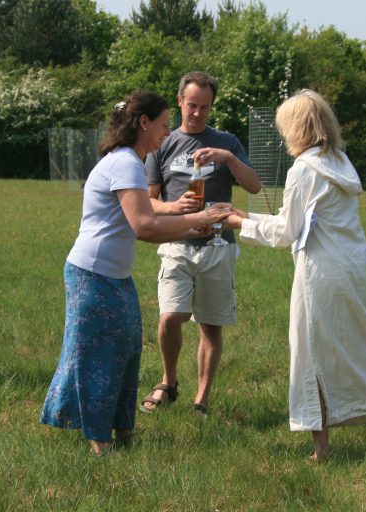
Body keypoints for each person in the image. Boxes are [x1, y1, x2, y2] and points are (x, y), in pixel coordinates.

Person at [224, 90, 366, 461]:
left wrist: (237, 223)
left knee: (309, 354)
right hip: (354, 269)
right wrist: (246, 218)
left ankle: (320, 450)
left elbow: (287, 232)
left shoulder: (304, 169)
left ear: (297, 128)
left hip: (320, 273)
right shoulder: (340, 161)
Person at [40, 90, 231, 456]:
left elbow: (146, 222)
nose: (167, 132)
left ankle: (123, 429)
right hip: (91, 274)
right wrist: (201, 218)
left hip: (113, 275)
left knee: (127, 349)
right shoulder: (126, 162)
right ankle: (100, 440)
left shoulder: (130, 160)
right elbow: (144, 226)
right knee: (100, 355)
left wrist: (192, 227)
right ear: (144, 123)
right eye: (162, 125)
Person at [140, 71, 260, 416]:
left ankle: (201, 400)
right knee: (170, 317)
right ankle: (169, 382)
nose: (197, 113)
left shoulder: (227, 142)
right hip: (176, 242)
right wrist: (175, 208)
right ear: (180, 102)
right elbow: (148, 201)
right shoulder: (163, 144)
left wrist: (229, 158)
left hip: (217, 246)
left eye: (205, 107)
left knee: (210, 324)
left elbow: (253, 187)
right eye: (192, 105)